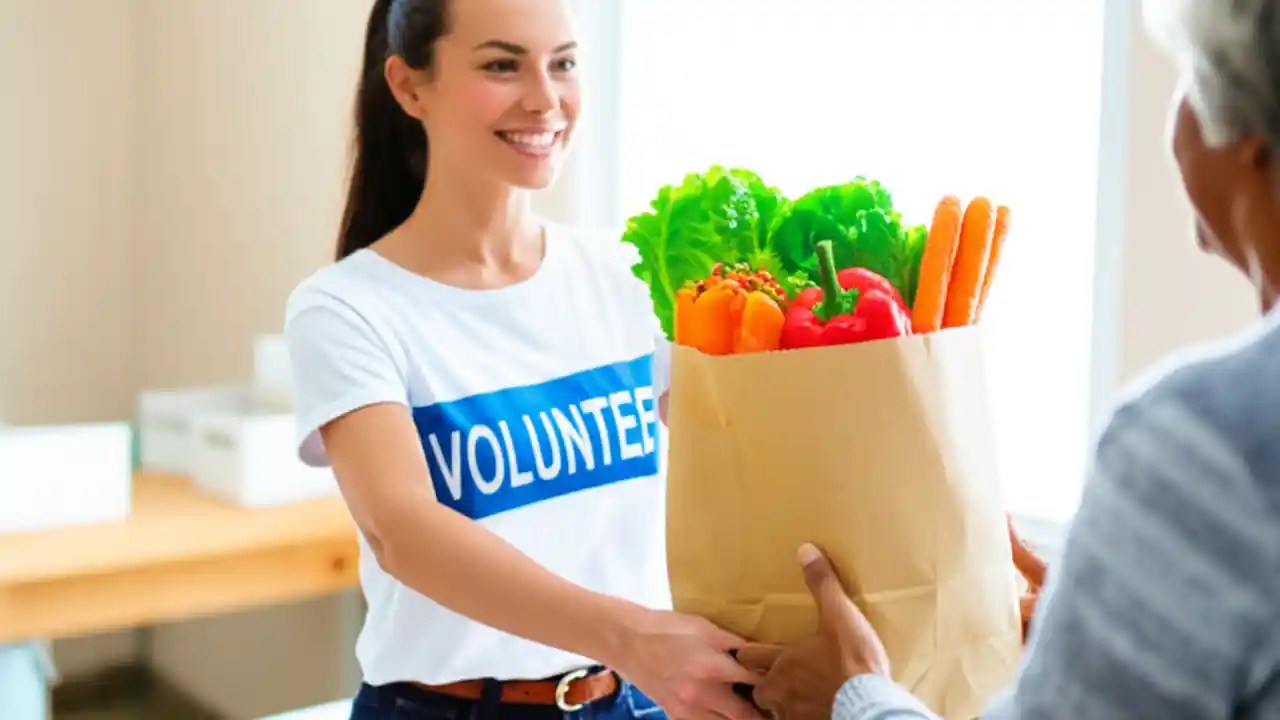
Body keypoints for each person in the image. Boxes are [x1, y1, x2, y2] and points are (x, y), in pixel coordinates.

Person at [746, 1, 1280, 718]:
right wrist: (1106, 643)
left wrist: (854, 698)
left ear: (1248, 131)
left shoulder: (1199, 444)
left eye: (1188, 74)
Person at [282, 1, 762, 719]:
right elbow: (401, 530)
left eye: (563, 63)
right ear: (410, 87)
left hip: (638, 699)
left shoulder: (627, 273)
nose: (545, 99)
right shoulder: (348, 308)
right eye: (502, 65)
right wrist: (633, 638)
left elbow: (737, 461)